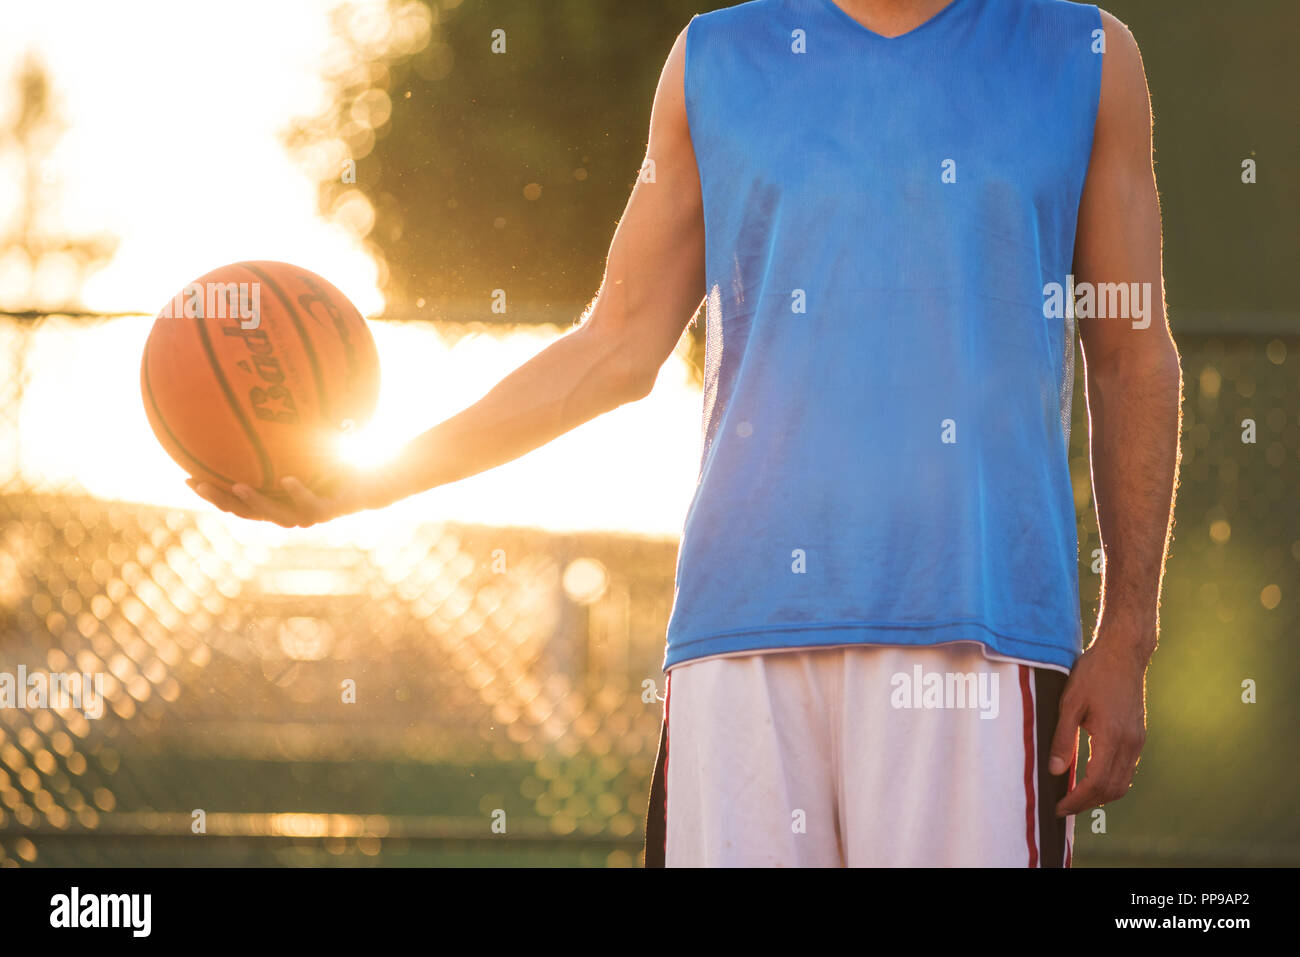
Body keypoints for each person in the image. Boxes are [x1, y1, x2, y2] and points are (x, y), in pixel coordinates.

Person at [193, 0, 1182, 867]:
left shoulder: (1084, 55)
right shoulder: (715, 60)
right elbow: (614, 348)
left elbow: (1132, 354)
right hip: (737, 640)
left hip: (979, 640)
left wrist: (1127, 636)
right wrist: (371, 480)